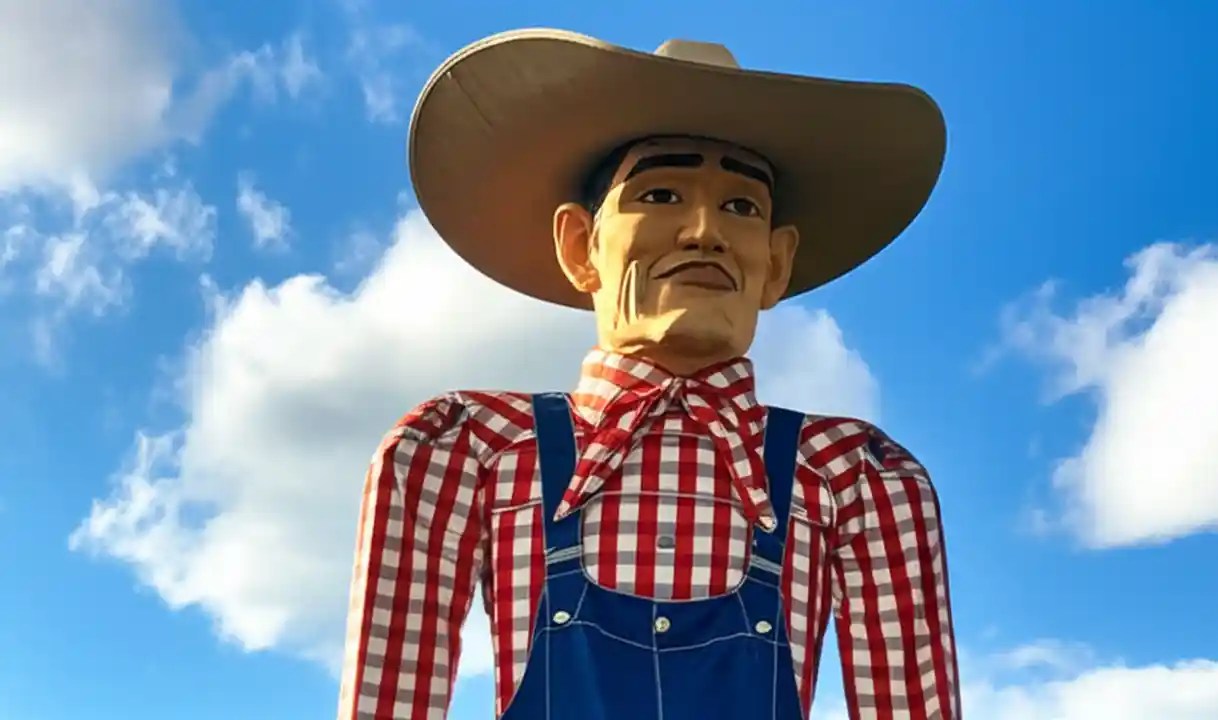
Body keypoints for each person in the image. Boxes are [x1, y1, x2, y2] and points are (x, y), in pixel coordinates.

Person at [338, 28, 960, 720]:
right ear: (582, 246)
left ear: (776, 262)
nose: (704, 232)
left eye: (741, 207)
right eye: (661, 194)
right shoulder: (467, 451)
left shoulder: (854, 478)